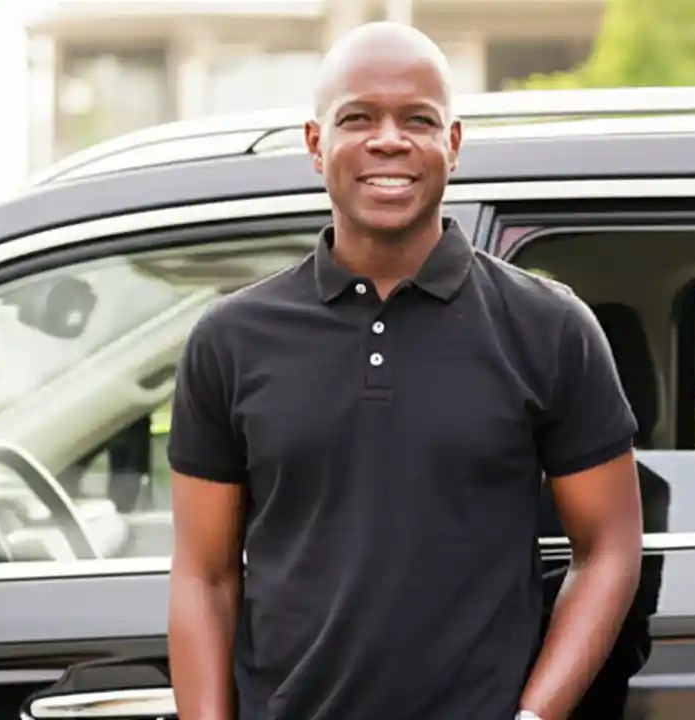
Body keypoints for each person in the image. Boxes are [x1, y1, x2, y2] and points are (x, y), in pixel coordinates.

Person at [166, 21, 644, 720]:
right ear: (315, 143)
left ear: (453, 143)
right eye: (357, 118)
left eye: (417, 119)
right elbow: (204, 578)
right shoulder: (230, 340)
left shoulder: (550, 328)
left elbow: (608, 550)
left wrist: (534, 717)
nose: (388, 140)